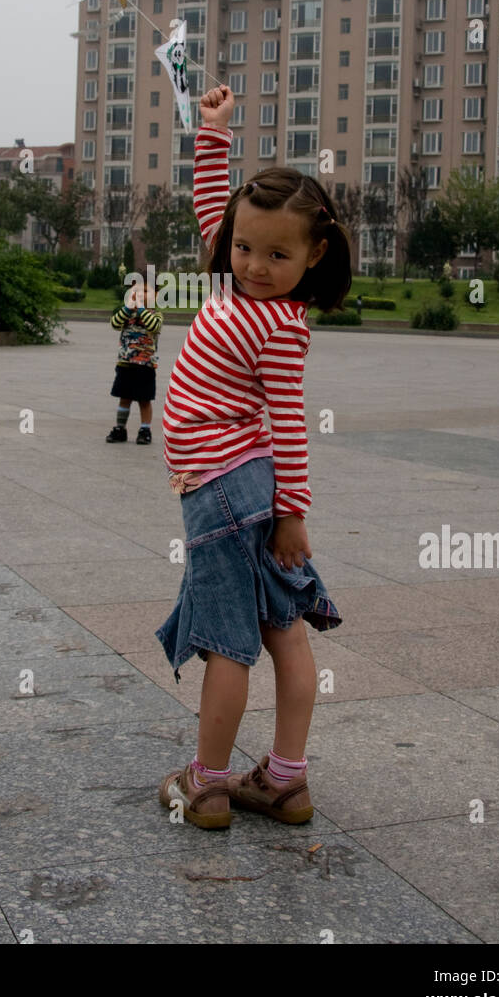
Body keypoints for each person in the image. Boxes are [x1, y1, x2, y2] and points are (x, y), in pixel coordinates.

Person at [156, 83, 351, 829]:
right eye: (244, 247)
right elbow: (214, 210)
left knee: (227, 644)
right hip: (244, 489)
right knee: (282, 632)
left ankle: (206, 784)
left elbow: (292, 424)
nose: (254, 264)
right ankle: (287, 781)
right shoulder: (236, 281)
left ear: (315, 253)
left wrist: (294, 514)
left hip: (225, 489)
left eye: (277, 254)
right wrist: (213, 134)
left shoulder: (276, 325)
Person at [105, 278, 163, 445]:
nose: (139, 294)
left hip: (145, 366)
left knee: (144, 400)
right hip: (125, 364)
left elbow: (153, 326)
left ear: (156, 295)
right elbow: (114, 323)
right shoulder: (126, 315)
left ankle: (145, 429)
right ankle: (120, 428)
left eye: (145, 291)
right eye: (136, 290)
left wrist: (142, 310)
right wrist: (127, 308)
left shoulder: (156, 315)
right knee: (124, 398)